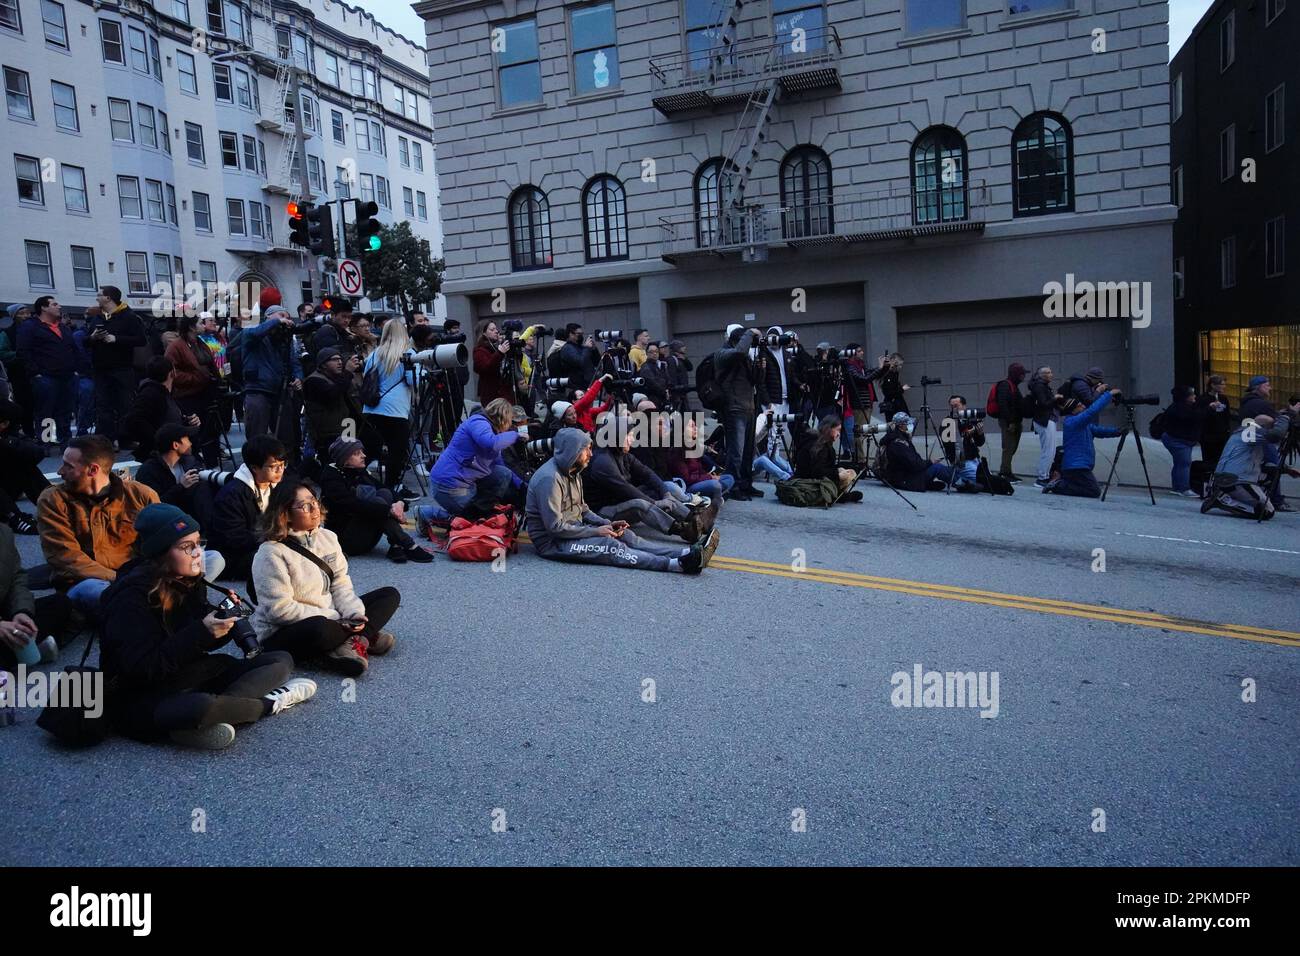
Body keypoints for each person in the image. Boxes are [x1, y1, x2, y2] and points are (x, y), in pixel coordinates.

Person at [99, 503, 314, 750]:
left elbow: (200, 638)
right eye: (186, 547)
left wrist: (223, 622)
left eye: (198, 543)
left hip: (188, 675)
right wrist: (201, 632)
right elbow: (142, 669)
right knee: (201, 706)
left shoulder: (187, 580)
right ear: (159, 554)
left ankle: (207, 719)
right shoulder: (129, 599)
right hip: (143, 696)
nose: (197, 553)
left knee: (279, 660)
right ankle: (267, 704)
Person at [36, 435, 216, 616]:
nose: (60, 471)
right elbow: (66, 558)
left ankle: (154, 604)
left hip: (142, 576)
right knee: (94, 590)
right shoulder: (53, 499)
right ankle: (164, 604)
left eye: (68, 466)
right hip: (92, 580)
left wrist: (158, 572)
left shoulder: (140, 494)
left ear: (93, 470)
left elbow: (165, 541)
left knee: (213, 558)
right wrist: (123, 581)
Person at [249, 480, 402, 675]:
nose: (314, 508)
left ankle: (350, 641)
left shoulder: (328, 537)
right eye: (305, 505)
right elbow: (279, 611)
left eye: (314, 501)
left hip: (331, 615)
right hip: (287, 629)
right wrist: (337, 618)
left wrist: (353, 613)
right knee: (320, 628)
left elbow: (340, 583)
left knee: (389, 595)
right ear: (285, 515)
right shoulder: (270, 553)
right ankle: (359, 638)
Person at [526, 428, 716, 574]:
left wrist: (607, 524)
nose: (590, 454)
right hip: (553, 542)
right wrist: (596, 531)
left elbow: (582, 509)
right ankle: (677, 565)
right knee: (610, 547)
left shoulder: (573, 471)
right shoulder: (549, 479)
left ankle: (683, 553)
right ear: (573, 451)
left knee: (625, 536)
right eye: (587, 450)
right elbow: (555, 527)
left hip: (572, 527)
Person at [583, 419, 711, 542]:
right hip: (601, 512)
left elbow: (647, 474)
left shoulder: (622, 453)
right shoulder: (603, 462)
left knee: (658, 489)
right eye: (630, 435)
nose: (633, 440)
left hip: (618, 501)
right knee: (640, 504)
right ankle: (683, 530)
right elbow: (626, 490)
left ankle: (695, 519)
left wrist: (665, 494)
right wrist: (655, 503)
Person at [318, 437, 433, 563]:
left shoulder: (357, 470)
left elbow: (384, 488)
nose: (363, 455)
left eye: (362, 451)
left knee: (384, 493)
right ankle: (407, 544)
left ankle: (396, 545)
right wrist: (389, 510)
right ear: (344, 459)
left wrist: (399, 503)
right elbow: (354, 505)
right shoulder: (332, 478)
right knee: (377, 503)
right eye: (357, 453)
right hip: (345, 540)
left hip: (363, 532)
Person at [427, 398, 526, 517]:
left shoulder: (492, 431)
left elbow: (501, 465)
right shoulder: (478, 422)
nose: (511, 425)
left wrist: (521, 485)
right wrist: (516, 435)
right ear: (503, 419)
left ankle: (484, 508)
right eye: (511, 421)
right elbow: (491, 443)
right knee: (472, 517)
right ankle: (426, 513)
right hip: (447, 485)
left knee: (503, 473)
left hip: (465, 481)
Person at [210, 434, 285, 582]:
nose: (280, 470)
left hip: (264, 544)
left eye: (282, 464)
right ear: (255, 468)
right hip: (235, 557)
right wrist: (272, 536)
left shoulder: (277, 485)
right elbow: (233, 538)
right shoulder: (231, 495)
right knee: (277, 560)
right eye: (273, 466)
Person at [0, 522, 71, 670]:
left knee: (60, 603)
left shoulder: (4, 532)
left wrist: (21, 612)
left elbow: (17, 579)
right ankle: (16, 655)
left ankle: (13, 654)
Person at [1207, 402, 1299, 515]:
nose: (1271, 429)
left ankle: (1232, 496)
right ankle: (1223, 500)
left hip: (1231, 478)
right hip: (1234, 480)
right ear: (1262, 427)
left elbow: (1262, 465)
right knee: (1267, 511)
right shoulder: (1250, 432)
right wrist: (1286, 417)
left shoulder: (1246, 435)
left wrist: (1286, 470)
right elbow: (1276, 435)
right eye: (1270, 427)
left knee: (1270, 476)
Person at [361, 319, 417, 496]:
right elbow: (411, 380)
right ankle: (392, 488)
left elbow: (366, 377)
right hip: (396, 410)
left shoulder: (374, 354)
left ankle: (355, 479)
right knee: (397, 452)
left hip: (372, 409)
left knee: (369, 450)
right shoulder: (406, 353)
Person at [16, 296, 80, 450]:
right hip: (46, 376)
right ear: (43, 308)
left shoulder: (63, 328)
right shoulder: (30, 326)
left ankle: (65, 441)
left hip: (67, 375)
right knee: (45, 412)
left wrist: (76, 369)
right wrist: (35, 373)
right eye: (54, 304)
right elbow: (23, 351)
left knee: (65, 411)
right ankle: (44, 443)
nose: (59, 306)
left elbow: (73, 349)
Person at [86, 286, 147, 445]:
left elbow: (141, 340)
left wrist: (117, 339)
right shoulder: (98, 317)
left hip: (122, 367)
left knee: (125, 404)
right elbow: (85, 342)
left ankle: (126, 438)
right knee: (103, 405)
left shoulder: (129, 316)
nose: (97, 298)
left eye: (99, 295)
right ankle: (105, 441)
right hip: (101, 368)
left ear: (109, 298)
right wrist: (92, 337)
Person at [714, 325, 767, 501]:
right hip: (734, 408)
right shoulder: (723, 353)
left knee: (748, 451)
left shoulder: (744, 357)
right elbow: (739, 353)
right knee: (736, 451)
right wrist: (751, 333)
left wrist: (761, 367)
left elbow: (755, 381)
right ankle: (733, 486)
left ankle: (746, 484)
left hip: (749, 407)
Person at [1042, 388, 1123, 498]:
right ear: (1073, 410)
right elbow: (1092, 411)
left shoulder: (1082, 424)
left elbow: (1099, 431)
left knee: (1089, 489)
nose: (1083, 406)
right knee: (1094, 491)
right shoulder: (1073, 422)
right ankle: (1057, 485)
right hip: (1076, 466)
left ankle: (1062, 482)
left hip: (1078, 466)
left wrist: (1117, 432)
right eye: (1080, 405)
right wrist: (1109, 394)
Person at [239, 305, 303, 440]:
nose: (286, 320)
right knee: (257, 435)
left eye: (287, 317)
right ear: (268, 316)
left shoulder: (284, 338)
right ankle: (256, 461)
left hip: (280, 391)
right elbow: (252, 333)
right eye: (281, 315)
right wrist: (277, 322)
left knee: (286, 435)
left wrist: (298, 377)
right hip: (257, 390)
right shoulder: (252, 330)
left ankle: (284, 460)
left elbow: (293, 361)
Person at [165, 315, 222, 466]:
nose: (203, 325)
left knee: (211, 431)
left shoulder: (200, 343)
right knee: (194, 433)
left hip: (206, 393)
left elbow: (210, 364)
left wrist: (217, 379)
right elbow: (171, 371)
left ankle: (212, 463)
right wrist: (196, 377)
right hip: (187, 396)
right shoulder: (176, 346)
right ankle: (194, 465)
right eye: (199, 322)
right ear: (191, 327)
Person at [120, 357, 198, 458]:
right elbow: (135, 420)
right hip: (163, 456)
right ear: (172, 373)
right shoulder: (151, 394)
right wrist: (159, 441)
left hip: (173, 452)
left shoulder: (166, 393)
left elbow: (168, 419)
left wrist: (187, 420)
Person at [133, 423, 210, 519]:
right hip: (167, 522)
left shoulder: (189, 461)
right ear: (176, 445)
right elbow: (155, 505)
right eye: (187, 439)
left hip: (190, 516)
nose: (190, 443)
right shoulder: (148, 471)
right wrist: (181, 486)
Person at [303, 346, 365, 462]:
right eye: (334, 360)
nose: (340, 362)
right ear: (323, 364)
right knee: (331, 463)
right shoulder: (314, 380)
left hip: (346, 428)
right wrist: (347, 373)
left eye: (340, 359)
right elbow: (332, 394)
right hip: (327, 434)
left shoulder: (337, 378)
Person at [0, 399, 49, 534]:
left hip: (6, 491)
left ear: (4, 424)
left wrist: (6, 442)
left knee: (24, 465)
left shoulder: (8, 436)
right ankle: (14, 518)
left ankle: (53, 506)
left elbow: (37, 452)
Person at [792, 415, 862, 502]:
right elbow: (818, 472)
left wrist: (838, 469)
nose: (839, 434)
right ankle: (838, 495)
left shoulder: (814, 440)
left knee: (849, 472)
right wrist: (838, 474)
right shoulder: (820, 446)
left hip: (802, 478)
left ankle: (839, 493)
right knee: (849, 475)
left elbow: (823, 466)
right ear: (829, 429)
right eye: (838, 430)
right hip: (809, 482)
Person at [878, 412, 953, 492]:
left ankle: (956, 477)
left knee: (935, 466)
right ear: (900, 425)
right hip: (905, 478)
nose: (909, 426)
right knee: (937, 467)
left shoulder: (897, 438)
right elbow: (914, 464)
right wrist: (930, 462)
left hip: (903, 475)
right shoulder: (898, 443)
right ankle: (957, 480)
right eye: (907, 423)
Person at [667, 416, 734, 501]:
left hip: (700, 480)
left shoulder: (693, 446)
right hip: (689, 487)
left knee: (729, 478)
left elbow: (699, 469)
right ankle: (715, 495)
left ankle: (713, 495)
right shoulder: (677, 451)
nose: (695, 428)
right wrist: (709, 478)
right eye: (692, 426)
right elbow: (687, 479)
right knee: (715, 484)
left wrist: (709, 476)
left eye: (695, 426)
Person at [1160, 386, 1208, 498]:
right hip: (1178, 440)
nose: (1194, 396)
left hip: (1180, 440)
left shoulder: (1183, 407)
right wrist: (1209, 408)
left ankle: (1177, 487)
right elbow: (1195, 417)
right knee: (1184, 464)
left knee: (1179, 463)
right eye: (1192, 395)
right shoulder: (1180, 409)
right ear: (1186, 397)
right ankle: (1183, 488)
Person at [993, 363, 1027, 481]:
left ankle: (1007, 471)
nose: (1024, 377)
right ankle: (1004, 473)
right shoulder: (1005, 385)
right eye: (1022, 374)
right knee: (1008, 447)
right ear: (1016, 374)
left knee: (1012, 448)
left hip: (1015, 422)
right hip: (1009, 422)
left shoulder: (1013, 386)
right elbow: (1003, 405)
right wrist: (1010, 422)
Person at [1027, 366, 1059, 487]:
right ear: (1042, 375)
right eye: (1048, 372)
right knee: (1049, 450)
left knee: (1050, 449)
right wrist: (1055, 398)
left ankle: (1044, 474)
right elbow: (1044, 404)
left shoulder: (1040, 386)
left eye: (1051, 372)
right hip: (1044, 420)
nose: (1051, 374)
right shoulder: (1040, 386)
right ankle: (1042, 477)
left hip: (1044, 420)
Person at [1197, 374, 1233, 472]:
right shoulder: (1203, 399)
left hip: (1222, 434)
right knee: (1209, 461)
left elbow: (1227, 415)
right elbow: (1199, 416)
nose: (1224, 387)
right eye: (1222, 384)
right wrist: (1210, 408)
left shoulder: (1223, 398)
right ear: (1213, 385)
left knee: (1221, 460)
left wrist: (1227, 430)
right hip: (1208, 436)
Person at [554, 323, 600, 389]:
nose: (581, 336)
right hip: (577, 387)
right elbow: (580, 362)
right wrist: (586, 348)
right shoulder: (567, 348)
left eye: (582, 334)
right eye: (578, 334)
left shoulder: (581, 348)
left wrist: (594, 349)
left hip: (589, 385)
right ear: (570, 334)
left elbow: (597, 362)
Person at [877, 352, 910, 419]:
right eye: (899, 365)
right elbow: (890, 393)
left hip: (897, 403)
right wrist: (902, 389)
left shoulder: (894, 373)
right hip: (893, 405)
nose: (900, 367)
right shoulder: (888, 375)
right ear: (895, 364)